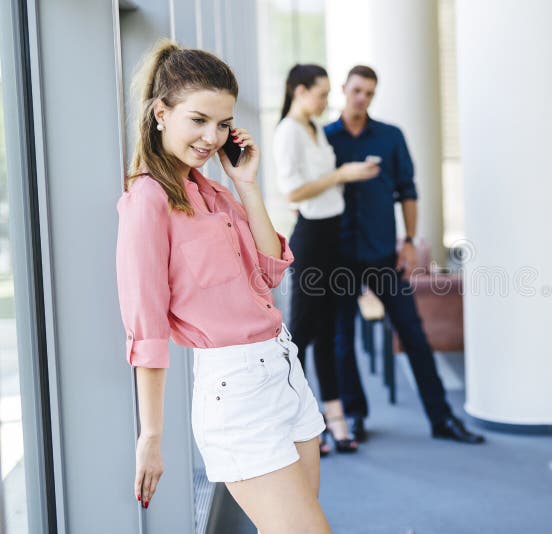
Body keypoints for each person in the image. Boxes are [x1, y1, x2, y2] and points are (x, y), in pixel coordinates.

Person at [116, 40, 331, 533]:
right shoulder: (146, 201)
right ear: (160, 113)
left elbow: (273, 267)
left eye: (222, 123)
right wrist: (151, 435)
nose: (211, 137)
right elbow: (145, 328)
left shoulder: (212, 189)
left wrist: (247, 185)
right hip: (235, 390)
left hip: (284, 371)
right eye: (198, 120)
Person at [324, 65, 485, 445]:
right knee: (341, 340)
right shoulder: (325, 138)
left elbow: (408, 192)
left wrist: (410, 240)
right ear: (344, 89)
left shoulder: (391, 137)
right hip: (340, 255)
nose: (361, 98)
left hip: (383, 254)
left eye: (369, 93)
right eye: (357, 90)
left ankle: (442, 418)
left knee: (413, 333)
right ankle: (354, 414)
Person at [273, 64, 379, 455]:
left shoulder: (314, 129)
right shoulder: (288, 132)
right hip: (313, 239)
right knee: (303, 333)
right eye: (320, 93)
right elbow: (293, 192)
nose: (325, 101)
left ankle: (333, 419)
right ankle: (297, 425)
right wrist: (343, 175)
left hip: (334, 236)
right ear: (299, 91)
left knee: (333, 331)